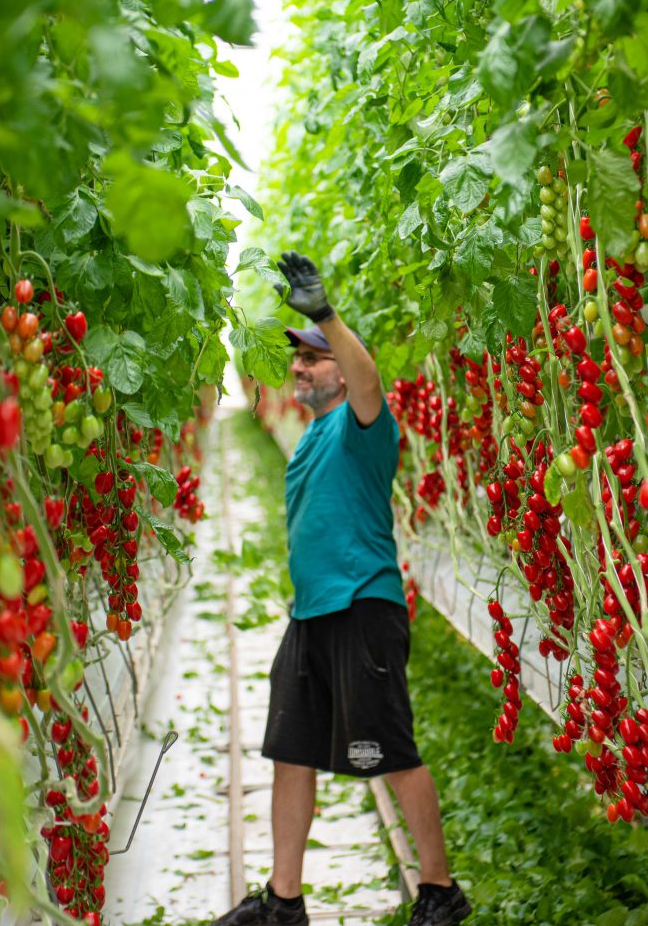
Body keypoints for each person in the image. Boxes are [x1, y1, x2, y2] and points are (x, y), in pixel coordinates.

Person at [211, 253, 471, 926]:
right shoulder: (310, 438)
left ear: (341, 368)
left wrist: (326, 314)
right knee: (290, 751)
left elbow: (369, 378)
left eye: (315, 359)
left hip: (363, 606)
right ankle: (284, 900)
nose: (301, 368)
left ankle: (439, 889)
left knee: (389, 749)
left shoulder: (364, 427)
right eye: (297, 359)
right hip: (314, 616)